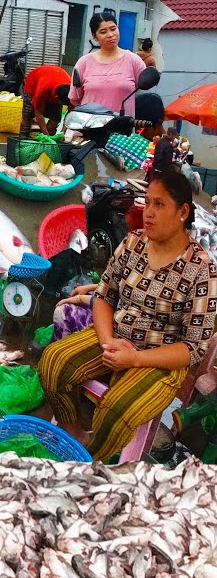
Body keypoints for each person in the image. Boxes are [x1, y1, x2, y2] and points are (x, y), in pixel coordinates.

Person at [39, 172, 217, 461]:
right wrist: (108, 342)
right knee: (53, 362)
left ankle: (88, 459)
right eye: (147, 203)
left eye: (159, 205)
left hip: (161, 360)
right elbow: (105, 296)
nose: (148, 213)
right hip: (117, 338)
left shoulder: (201, 270)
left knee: (116, 409)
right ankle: (73, 433)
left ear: (183, 212)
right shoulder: (133, 243)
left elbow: (192, 348)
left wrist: (135, 359)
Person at [69, 12, 148, 118]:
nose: (110, 35)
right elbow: (75, 99)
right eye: (103, 32)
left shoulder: (134, 61)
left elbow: (146, 85)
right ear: (95, 37)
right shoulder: (84, 63)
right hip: (89, 130)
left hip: (121, 131)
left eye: (113, 29)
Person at [21, 64, 72, 136]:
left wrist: (63, 133)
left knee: (56, 118)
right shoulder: (42, 91)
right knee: (28, 114)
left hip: (56, 79)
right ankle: (23, 137)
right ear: (56, 97)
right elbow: (39, 116)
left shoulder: (72, 93)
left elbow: (70, 115)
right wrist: (46, 136)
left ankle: (49, 135)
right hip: (33, 84)